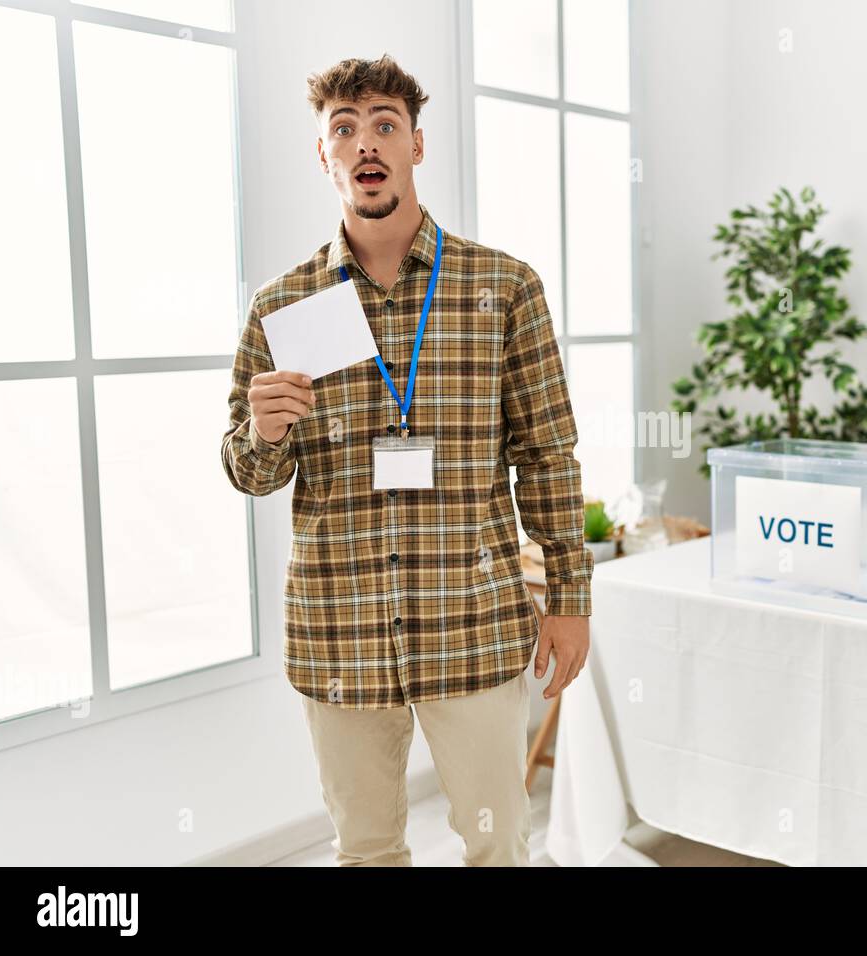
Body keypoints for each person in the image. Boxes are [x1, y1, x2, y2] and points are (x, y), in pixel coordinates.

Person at [220, 54, 593, 866]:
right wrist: (265, 434)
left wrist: (568, 595)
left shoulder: (505, 288)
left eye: (384, 124)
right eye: (343, 130)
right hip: (340, 630)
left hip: (473, 621)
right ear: (324, 156)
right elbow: (250, 473)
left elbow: (548, 453)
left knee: (498, 847)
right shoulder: (282, 308)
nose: (365, 143)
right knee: (366, 850)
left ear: (416, 145)